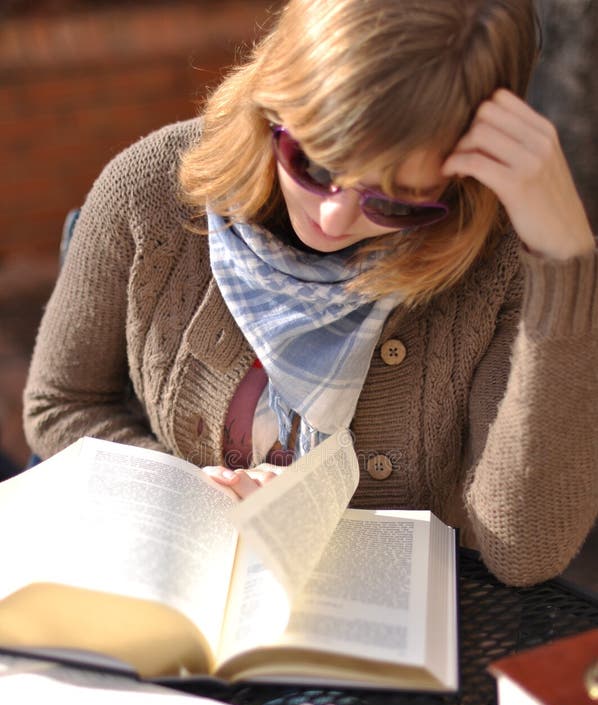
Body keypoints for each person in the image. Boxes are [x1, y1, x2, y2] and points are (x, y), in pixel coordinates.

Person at [23, 0, 597, 587]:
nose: (334, 216)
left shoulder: (495, 262)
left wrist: (565, 266)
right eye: (315, 164)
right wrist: (206, 499)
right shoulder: (149, 195)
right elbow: (60, 406)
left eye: (396, 200)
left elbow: (525, 551)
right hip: (179, 585)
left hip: (383, 626)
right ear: (276, 95)